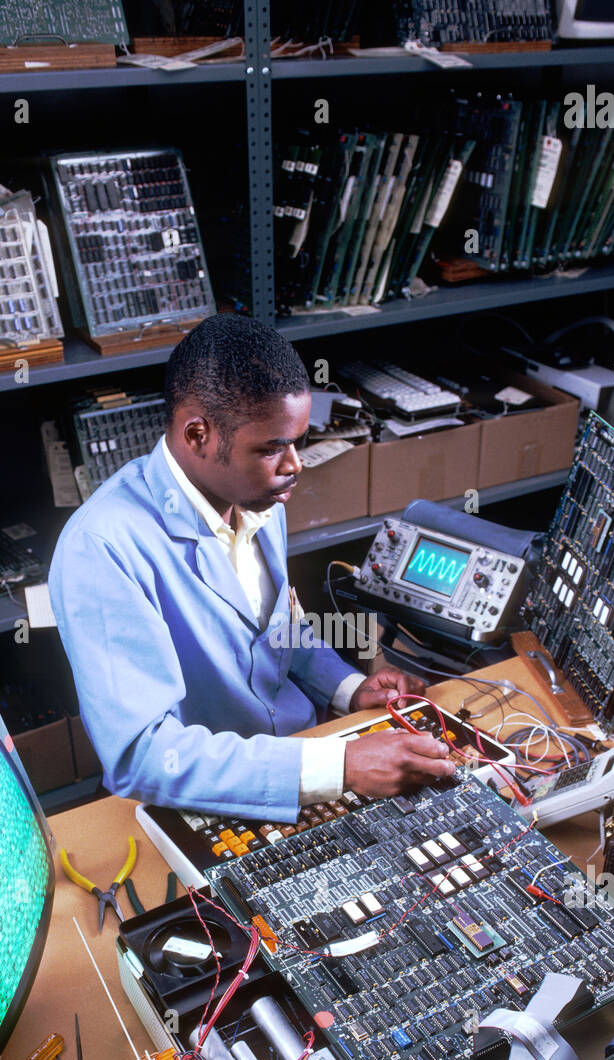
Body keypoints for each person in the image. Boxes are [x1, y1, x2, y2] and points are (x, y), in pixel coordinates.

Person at [49, 314, 455, 821]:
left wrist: (348, 688)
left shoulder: (257, 497)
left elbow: (279, 631)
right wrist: (339, 767)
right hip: (215, 799)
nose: (294, 465)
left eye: (297, 441)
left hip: (308, 752)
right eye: (271, 448)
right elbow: (142, 756)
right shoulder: (102, 548)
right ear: (197, 434)